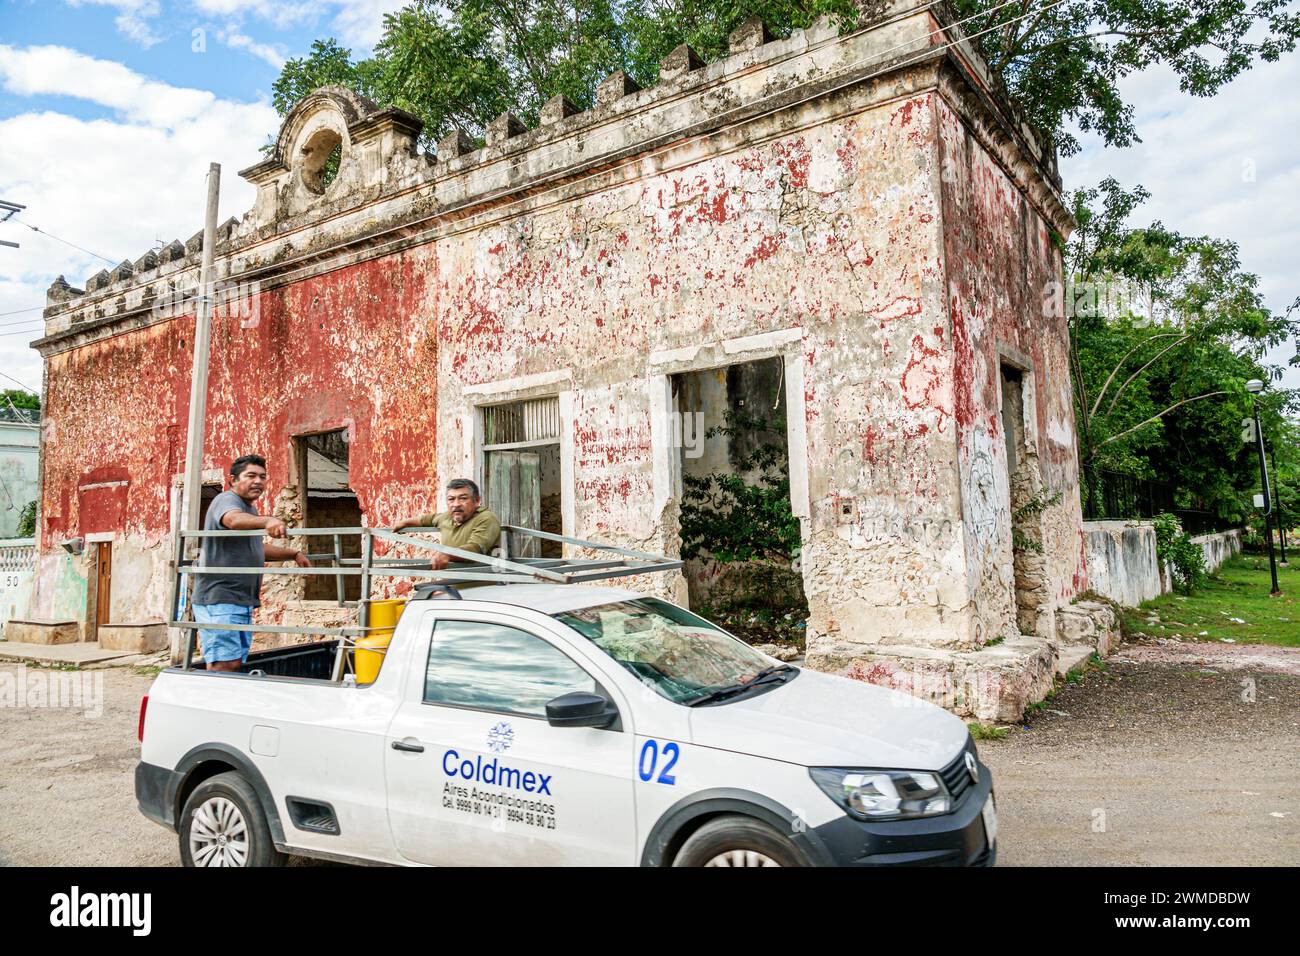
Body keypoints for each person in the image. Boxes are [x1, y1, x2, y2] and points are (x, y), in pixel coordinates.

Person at [192, 454, 311, 671]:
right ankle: (214, 703)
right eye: (251, 475)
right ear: (233, 480)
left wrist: (292, 553)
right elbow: (232, 520)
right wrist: (268, 520)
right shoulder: (227, 500)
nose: (258, 481)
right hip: (220, 597)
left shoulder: (249, 509)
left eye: (263, 477)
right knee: (225, 664)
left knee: (234, 661)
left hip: (239, 599)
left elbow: (255, 548)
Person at [393, 478, 501, 569]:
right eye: (451, 499)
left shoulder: (486, 518)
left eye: (463, 498)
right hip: (450, 586)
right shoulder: (447, 517)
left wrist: (447, 554)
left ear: (476, 501)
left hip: (479, 587)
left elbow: (474, 549)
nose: (456, 504)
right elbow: (427, 519)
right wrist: (404, 523)